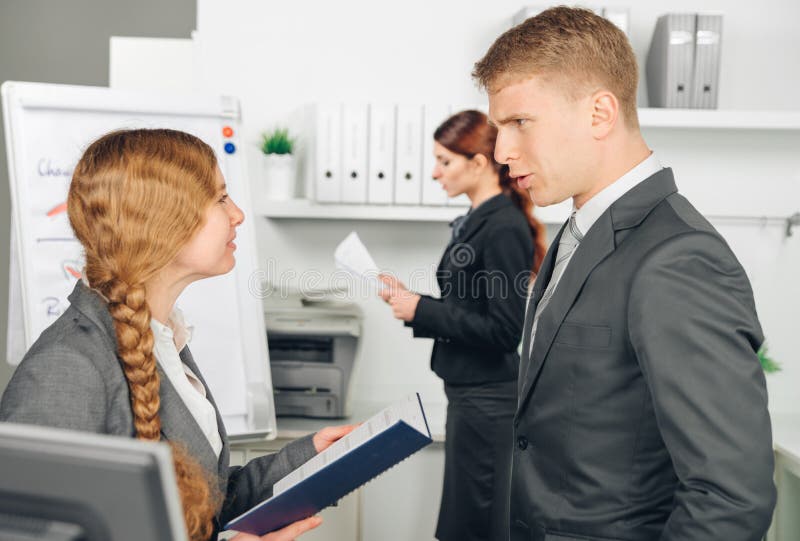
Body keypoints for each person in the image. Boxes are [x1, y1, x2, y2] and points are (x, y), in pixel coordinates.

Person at [471, 7, 777, 541]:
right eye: (498, 128)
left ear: (600, 113)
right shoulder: (576, 229)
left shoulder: (679, 259)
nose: (501, 151)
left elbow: (730, 497)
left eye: (519, 122)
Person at [0, 128, 354, 541]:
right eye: (221, 198)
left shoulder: (164, 340)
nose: (238, 214)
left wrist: (309, 458)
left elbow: (204, 504)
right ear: (162, 220)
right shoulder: (66, 369)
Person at [379, 109, 546, 541]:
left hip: (488, 402)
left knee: (475, 526)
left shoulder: (504, 226)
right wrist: (414, 303)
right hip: (469, 396)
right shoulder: (476, 220)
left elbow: (505, 331)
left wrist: (422, 311)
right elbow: (469, 306)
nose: (435, 173)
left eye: (445, 161)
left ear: (478, 163)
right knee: (464, 522)